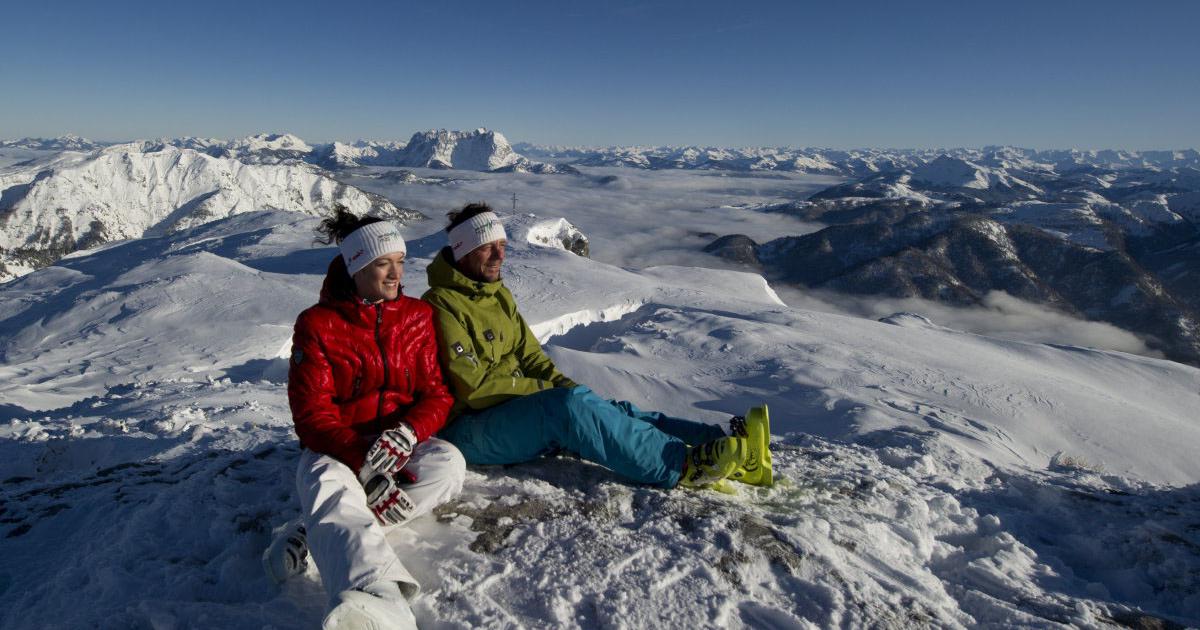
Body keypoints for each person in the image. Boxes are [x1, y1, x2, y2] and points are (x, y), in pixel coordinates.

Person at [421, 203, 773, 492]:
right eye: (487, 247)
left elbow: (530, 357)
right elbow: (475, 387)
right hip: (470, 428)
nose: (499, 254)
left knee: (603, 407)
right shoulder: (441, 304)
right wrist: (550, 392)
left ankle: (724, 443)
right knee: (566, 408)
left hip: (513, 410)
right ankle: (682, 465)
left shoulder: (498, 294)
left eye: (502, 245)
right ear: (463, 251)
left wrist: (567, 386)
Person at [264, 206, 466, 630]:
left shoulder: (418, 316)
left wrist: (409, 433)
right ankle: (378, 597)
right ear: (356, 268)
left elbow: (436, 394)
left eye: (399, 263)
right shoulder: (317, 324)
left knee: (448, 465)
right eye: (382, 264)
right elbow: (311, 415)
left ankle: (311, 534)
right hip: (339, 446)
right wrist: (364, 461)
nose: (395, 274)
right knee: (326, 482)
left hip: (396, 445)